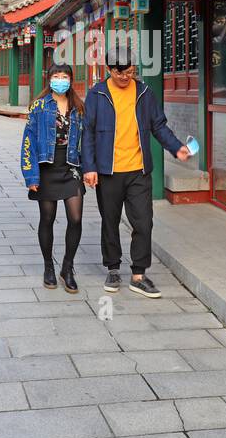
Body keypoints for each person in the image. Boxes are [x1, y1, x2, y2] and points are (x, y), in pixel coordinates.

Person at [82, 43, 191, 298]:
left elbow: (159, 125)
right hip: (108, 171)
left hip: (138, 170)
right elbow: (87, 132)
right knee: (110, 222)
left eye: (129, 72)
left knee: (143, 222)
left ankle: (139, 274)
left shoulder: (144, 93)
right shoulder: (97, 94)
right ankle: (112, 268)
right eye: (119, 73)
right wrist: (89, 167)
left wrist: (176, 148)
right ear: (109, 69)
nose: (124, 77)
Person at [21, 64, 85, 293]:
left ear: (71, 80)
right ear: (49, 80)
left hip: (71, 167)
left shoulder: (79, 107)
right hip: (46, 167)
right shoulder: (38, 106)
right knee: (47, 218)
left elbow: (85, 140)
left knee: (75, 218)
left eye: (64, 76)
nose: (60, 80)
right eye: (56, 76)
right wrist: (31, 175)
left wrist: (89, 168)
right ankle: (49, 266)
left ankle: (68, 267)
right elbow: (28, 142)